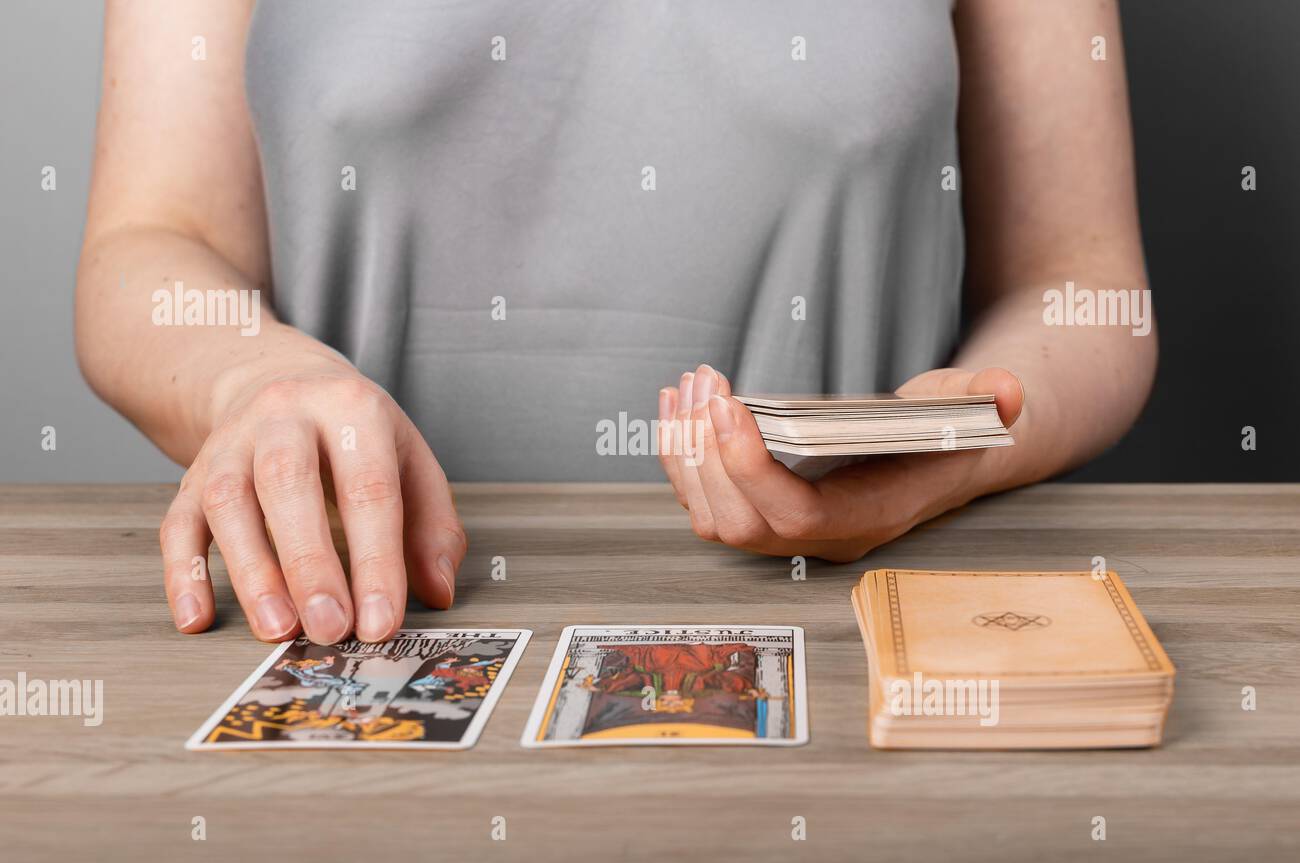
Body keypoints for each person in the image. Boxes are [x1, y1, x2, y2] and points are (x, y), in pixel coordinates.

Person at [76, 1, 1155, 646]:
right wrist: (247, 381)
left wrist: (957, 446)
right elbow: (148, 241)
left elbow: (1084, 286)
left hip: (860, 632)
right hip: (351, 622)